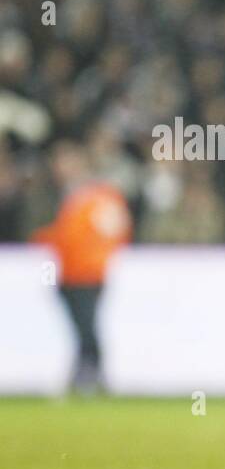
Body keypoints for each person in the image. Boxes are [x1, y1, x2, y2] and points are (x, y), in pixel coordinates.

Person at [31, 140, 132, 392]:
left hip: (87, 273)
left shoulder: (96, 196)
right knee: (82, 327)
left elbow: (112, 231)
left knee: (85, 326)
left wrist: (49, 237)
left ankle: (91, 374)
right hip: (69, 273)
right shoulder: (70, 195)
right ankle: (87, 374)